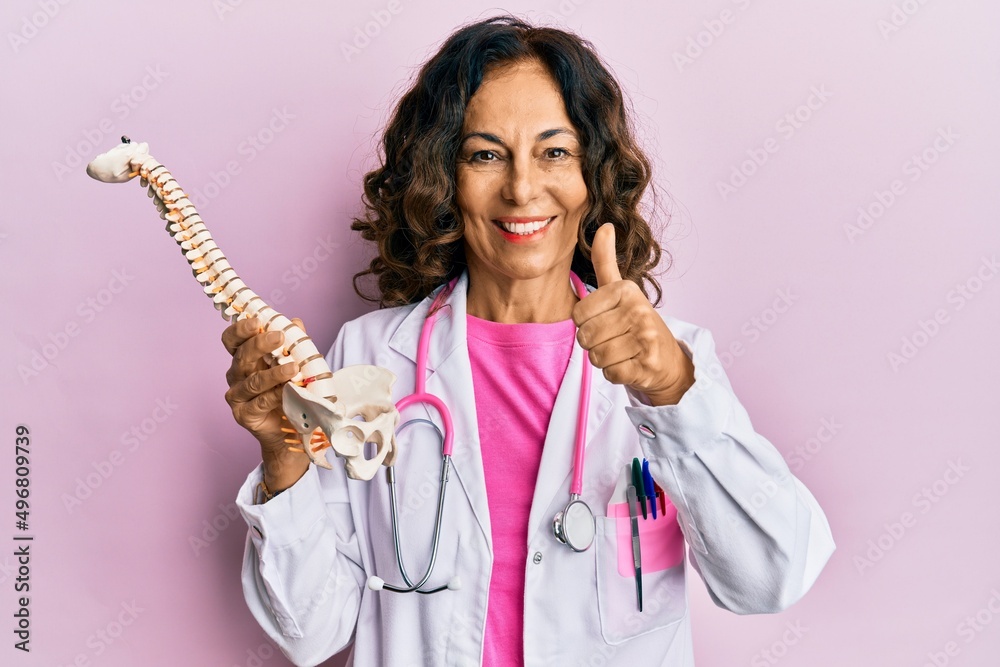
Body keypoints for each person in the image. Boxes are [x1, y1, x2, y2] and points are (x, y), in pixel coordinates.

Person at [224, 14, 835, 667]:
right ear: (444, 177)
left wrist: (673, 396)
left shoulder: (668, 361)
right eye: (485, 154)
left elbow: (772, 577)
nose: (521, 188)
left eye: (555, 152)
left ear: (591, 177)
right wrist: (283, 458)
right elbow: (312, 631)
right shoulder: (369, 357)